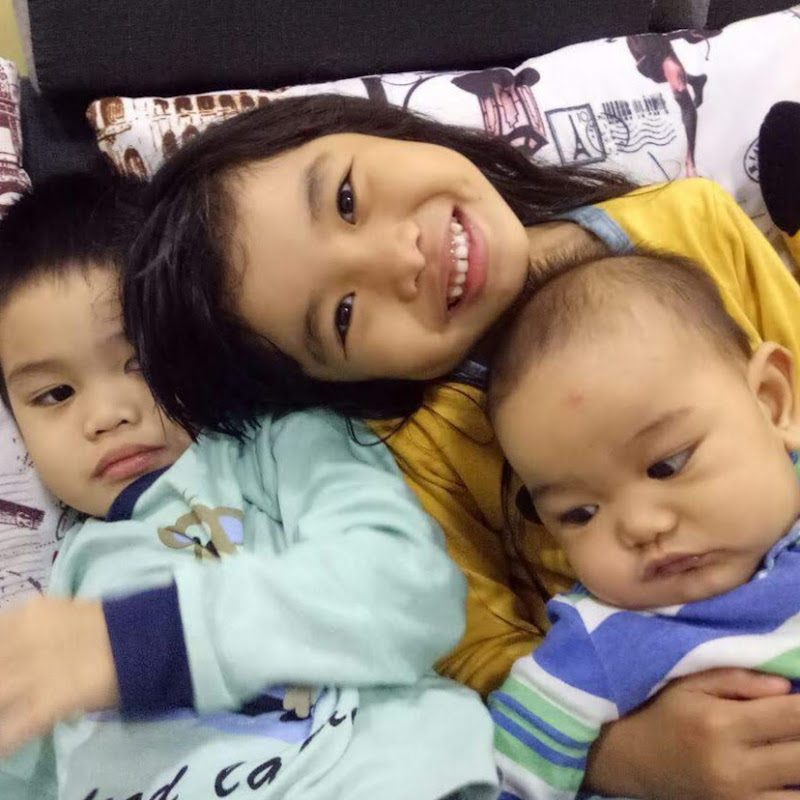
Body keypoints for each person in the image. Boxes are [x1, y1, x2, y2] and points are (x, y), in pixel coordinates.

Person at [122, 93, 800, 799]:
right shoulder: (404, 458)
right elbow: (479, 659)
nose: (399, 258)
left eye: (347, 198)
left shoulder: (691, 219)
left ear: (377, 128)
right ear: (335, 382)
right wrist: (631, 757)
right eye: (344, 315)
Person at [0, 173, 498, 799]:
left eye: (140, 362)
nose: (107, 416)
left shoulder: (274, 444)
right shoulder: (61, 583)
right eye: (55, 394)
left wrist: (144, 642)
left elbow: (410, 588)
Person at [486, 249, 800, 799]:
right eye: (580, 514)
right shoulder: (601, 640)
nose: (640, 526)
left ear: (772, 404)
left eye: (667, 465)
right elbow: (503, 772)